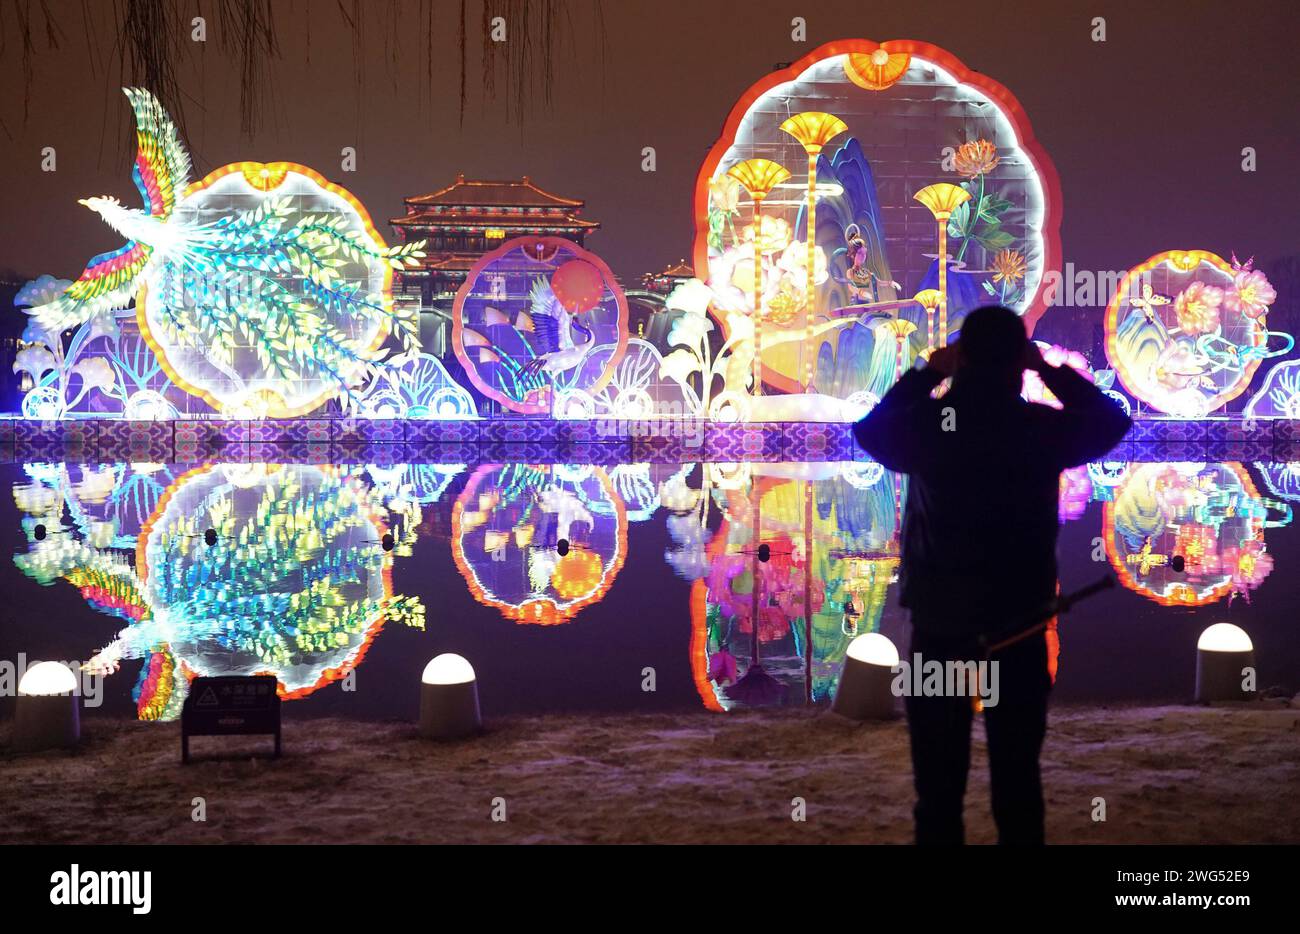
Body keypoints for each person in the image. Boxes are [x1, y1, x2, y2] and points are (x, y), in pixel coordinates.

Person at [852, 305, 1130, 845]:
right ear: (1018, 364)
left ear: (961, 359)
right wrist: (1048, 370)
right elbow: (1110, 422)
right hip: (1020, 624)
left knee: (937, 788)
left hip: (941, 621)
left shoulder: (931, 427)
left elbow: (871, 429)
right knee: (1018, 779)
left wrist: (928, 373)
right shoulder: (1036, 428)